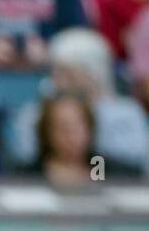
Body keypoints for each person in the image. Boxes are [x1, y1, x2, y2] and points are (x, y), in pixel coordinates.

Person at [9, 28, 148, 173]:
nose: (57, 80)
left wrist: (92, 168)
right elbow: (25, 159)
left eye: (67, 72)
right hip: (47, 181)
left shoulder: (126, 113)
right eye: (54, 71)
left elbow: (133, 163)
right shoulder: (33, 114)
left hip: (104, 182)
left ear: (93, 72)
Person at [34, 91, 140, 184]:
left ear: (91, 128)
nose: (71, 136)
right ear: (46, 131)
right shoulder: (27, 175)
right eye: (62, 128)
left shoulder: (107, 169)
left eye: (77, 127)